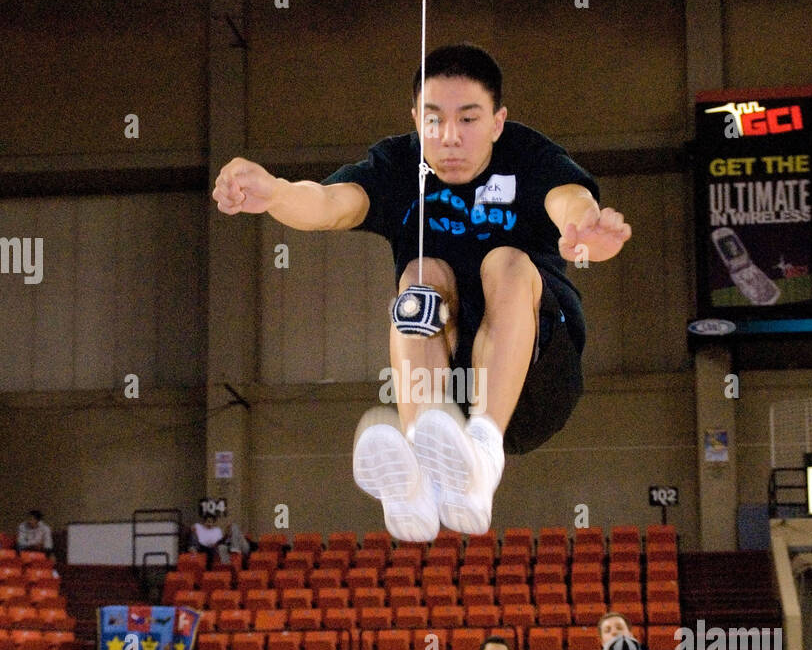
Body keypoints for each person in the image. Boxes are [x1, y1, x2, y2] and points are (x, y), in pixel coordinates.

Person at [214, 43, 632, 539]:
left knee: (507, 262)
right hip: (453, 390)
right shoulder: (399, 166)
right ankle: (424, 483)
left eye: (469, 120)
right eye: (433, 120)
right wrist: (276, 193)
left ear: (498, 122)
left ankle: (483, 452)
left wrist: (585, 229)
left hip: (537, 384)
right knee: (419, 276)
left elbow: (571, 201)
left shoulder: (532, 158)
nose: (450, 137)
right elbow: (331, 203)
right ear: (415, 118)